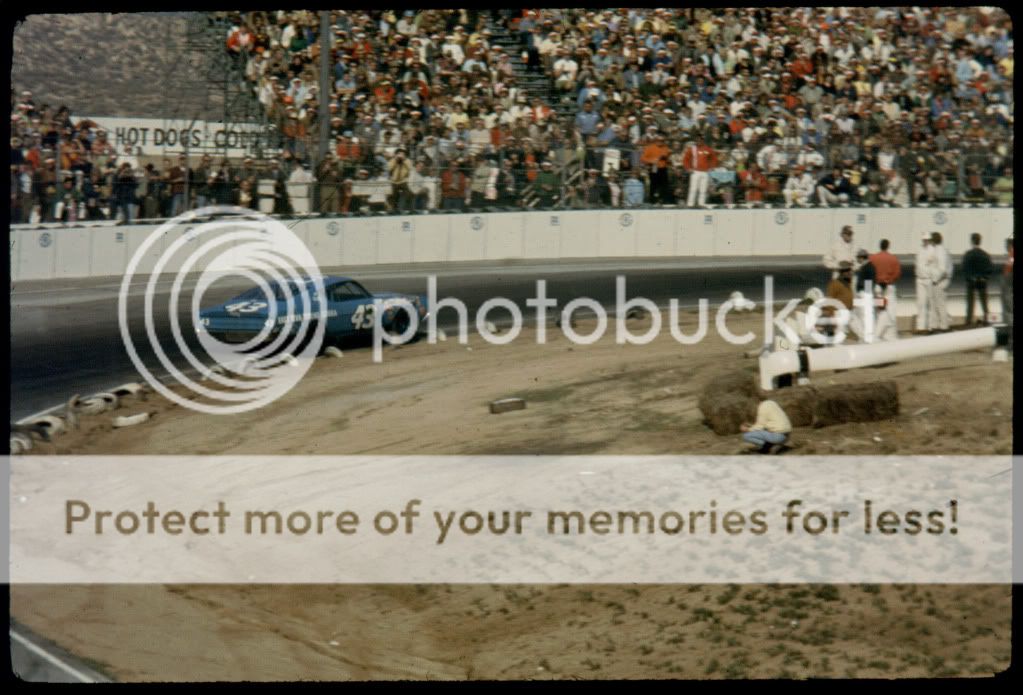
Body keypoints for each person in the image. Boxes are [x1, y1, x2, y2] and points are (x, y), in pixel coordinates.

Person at [870, 239, 902, 338]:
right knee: (891, 309)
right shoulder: (893, 258)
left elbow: (870, 272)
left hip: (877, 287)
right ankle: (889, 333)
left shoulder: (873, 258)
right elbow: (897, 274)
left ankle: (878, 332)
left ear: (880, 246)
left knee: (879, 310)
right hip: (889, 286)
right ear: (888, 246)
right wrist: (889, 279)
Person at [962, 233, 993, 326]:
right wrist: (985, 277)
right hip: (982, 281)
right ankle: (987, 320)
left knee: (970, 303)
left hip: (971, 281)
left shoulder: (968, 254)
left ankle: (968, 321)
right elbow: (990, 268)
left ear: (972, 241)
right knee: (984, 303)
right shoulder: (985, 254)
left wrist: (970, 277)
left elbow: (965, 268)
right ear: (980, 241)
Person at [682, 134, 717, 207]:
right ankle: (690, 204)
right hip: (695, 172)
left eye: (700, 140)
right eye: (697, 140)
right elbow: (685, 159)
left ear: (702, 140)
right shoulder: (692, 149)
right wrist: (688, 168)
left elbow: (714, 158)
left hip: (705, 172)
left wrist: (712, 167)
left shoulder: (707, 149)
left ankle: (701, 204)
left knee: (703, 189)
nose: (698, 141)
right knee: (693, 188)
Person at [929, 231, 952, 332]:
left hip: (939, 281)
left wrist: (935, 280)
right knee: (936, 303)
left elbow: (942, 269)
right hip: (942, 280)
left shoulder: (940, 251)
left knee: (939, 304)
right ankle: (936, 325)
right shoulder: (943, 250)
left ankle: (943, 326)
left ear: (933, 241)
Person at [914, 234, 937, 333]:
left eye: (927, 239)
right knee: (921, 303)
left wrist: (934, 278)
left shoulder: (933, 250)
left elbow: (935, 265)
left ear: (930, 240)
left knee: (931, 304)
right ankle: (921, 327)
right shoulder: (919, 249)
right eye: (924, 239)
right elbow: (917, 264)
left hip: (929, 279)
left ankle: (931, 326)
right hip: (920, 279)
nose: (925, 241)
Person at [1002, 237, 1013, 353]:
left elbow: (1007, 275)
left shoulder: (1011, 257)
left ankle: (1011, 343)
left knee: (1009, 316)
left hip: (1009, 290)